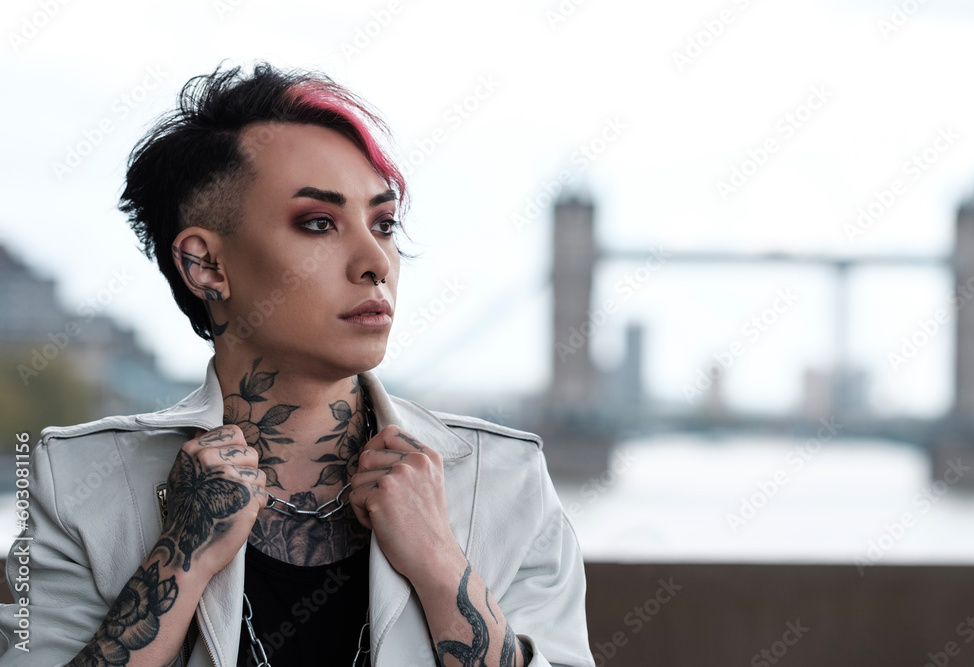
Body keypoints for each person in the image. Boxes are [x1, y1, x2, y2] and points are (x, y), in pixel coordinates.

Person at [0, 62, 593, 666]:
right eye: (318, 224)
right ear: (205, 266)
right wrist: (182, 552)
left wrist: (440, 562)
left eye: (384, 224)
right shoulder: (74, 481)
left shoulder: (506, 480)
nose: (375, 262)